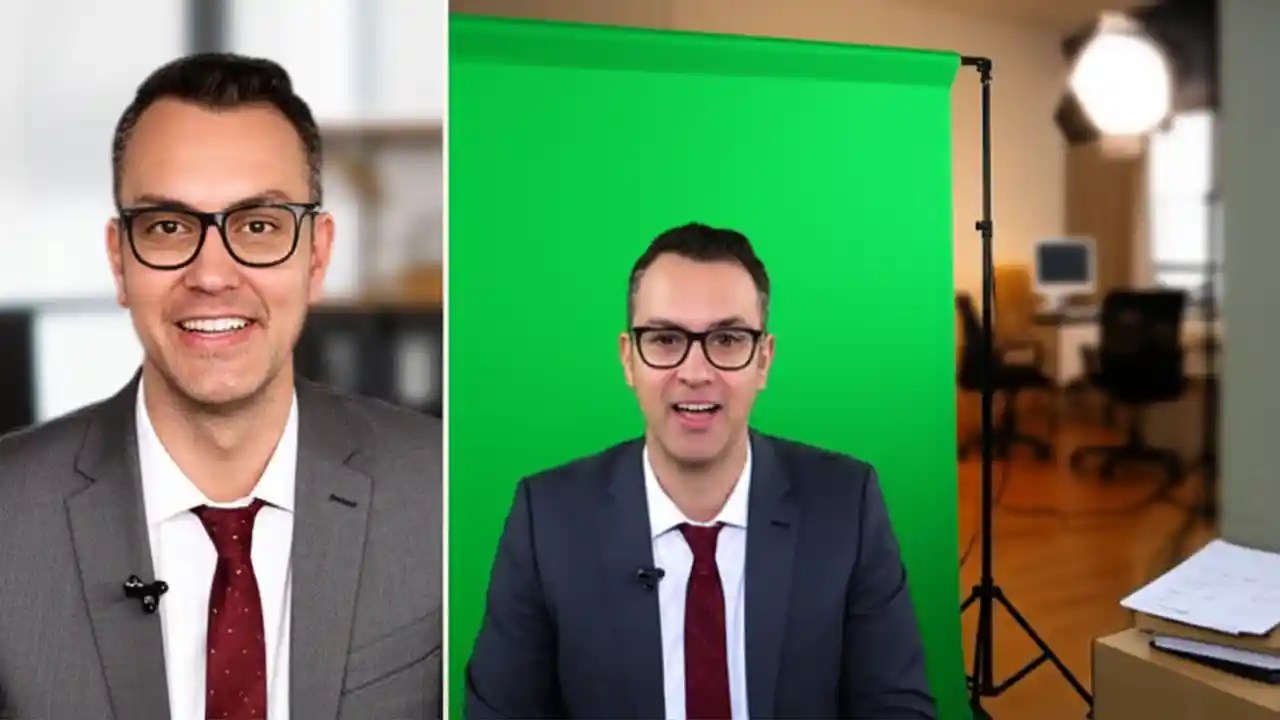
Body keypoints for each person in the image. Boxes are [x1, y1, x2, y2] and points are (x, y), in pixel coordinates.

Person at [0, 53, 441, 720]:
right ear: (119, 261)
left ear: (316, 256)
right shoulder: (9, 516)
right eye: (169, 227)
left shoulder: (434, 485)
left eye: (258, 227)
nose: (212, 274)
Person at [465, 223, 936, 719]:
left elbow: (896, 709)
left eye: (728, 339)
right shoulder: (547, 519)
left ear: (763, 360)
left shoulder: (847, 505)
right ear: (629, 359)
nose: (695, 372)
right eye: (666, 339)